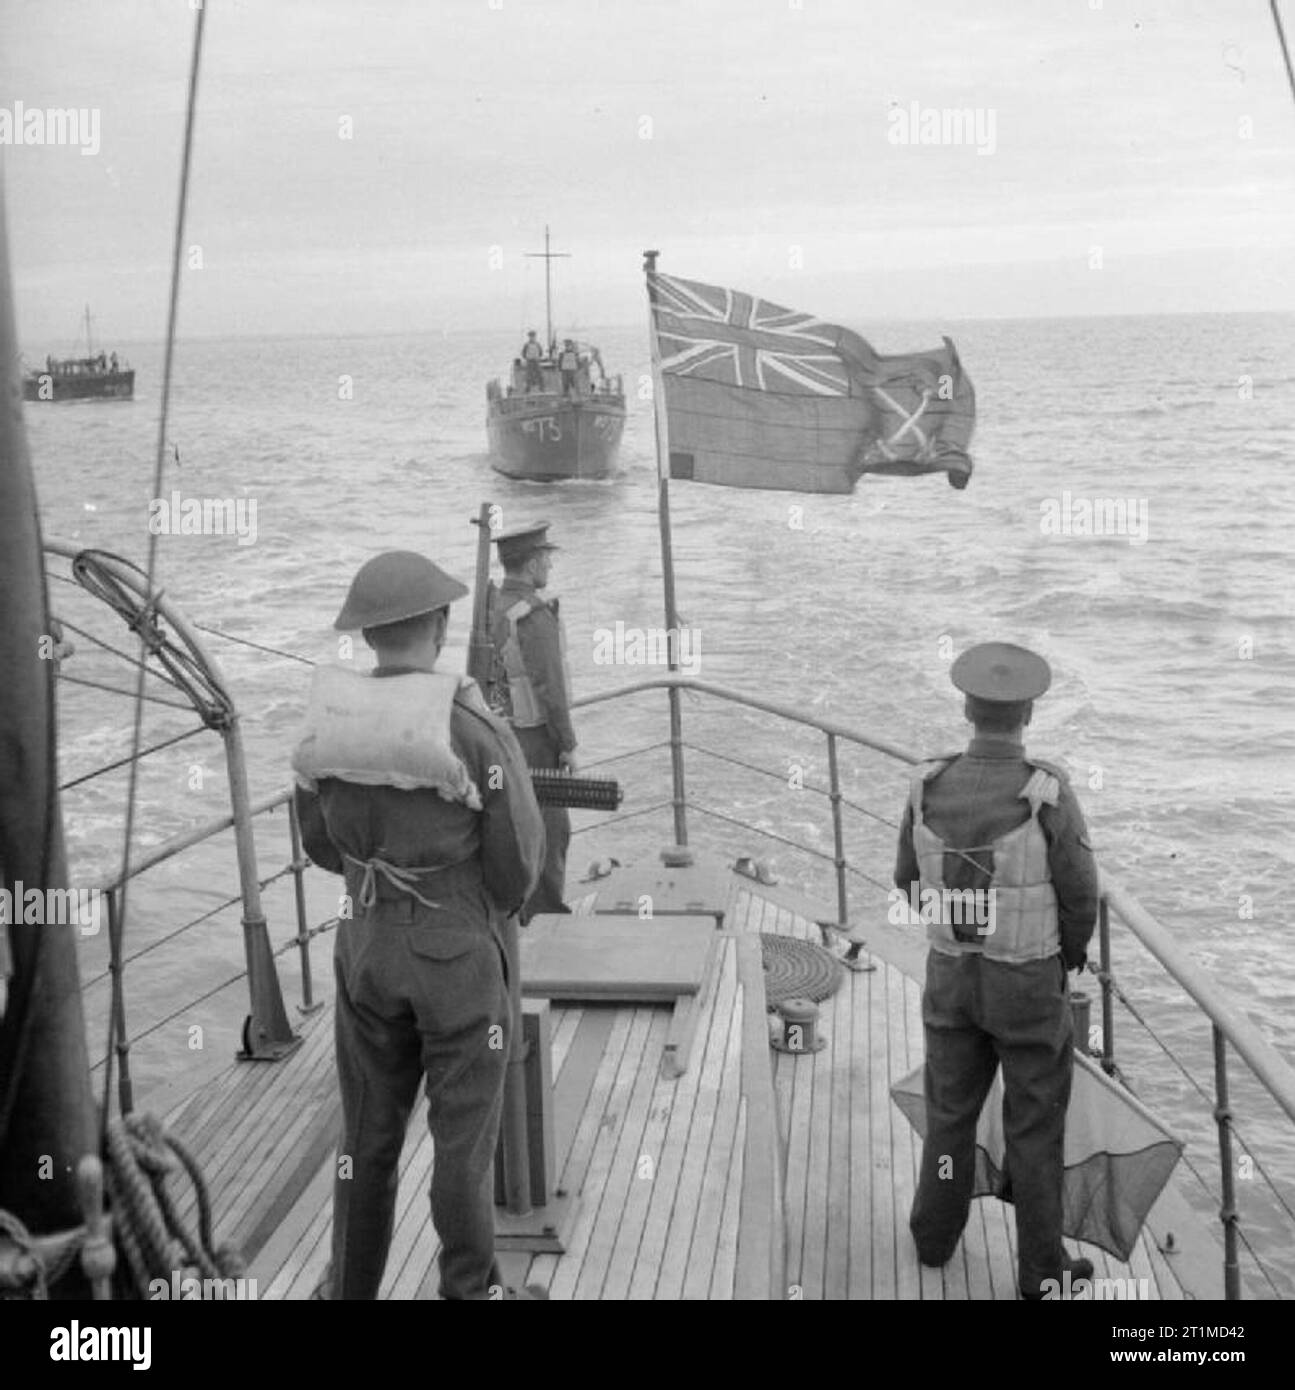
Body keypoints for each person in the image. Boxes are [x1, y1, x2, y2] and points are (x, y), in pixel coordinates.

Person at [292, 549, 544, 1300]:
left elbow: (319, 848)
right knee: (462, 1149)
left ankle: (352, 1290)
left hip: (365, 948)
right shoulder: (472, 730)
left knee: (364, 1142)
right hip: (457, 954)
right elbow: (517, 872)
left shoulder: (329, 725)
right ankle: (468, 1293)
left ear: (368, 635)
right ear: (437, 626)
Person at [893, 641, 1100, 1300]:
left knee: (949, 1112)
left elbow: (907, 881)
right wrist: (1063, 960)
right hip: (1026, 986)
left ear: (965, 707)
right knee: (1034, 1130)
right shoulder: (1045, 790)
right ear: (1027, 716)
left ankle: (932, 1235)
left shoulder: (928, 784)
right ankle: (1041, 1273)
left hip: (950, 978)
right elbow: (1078, 894)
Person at [488, 522, 576, 921]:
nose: (550, 569)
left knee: (514, 827)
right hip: (536, 739)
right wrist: (568, 745)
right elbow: (550, 689)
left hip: (498, 734)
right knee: (550, 831)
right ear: (533, 562)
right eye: (547, 560)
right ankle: (546, 917)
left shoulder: (492, 606)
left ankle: (518, 913)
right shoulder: (533, 616)